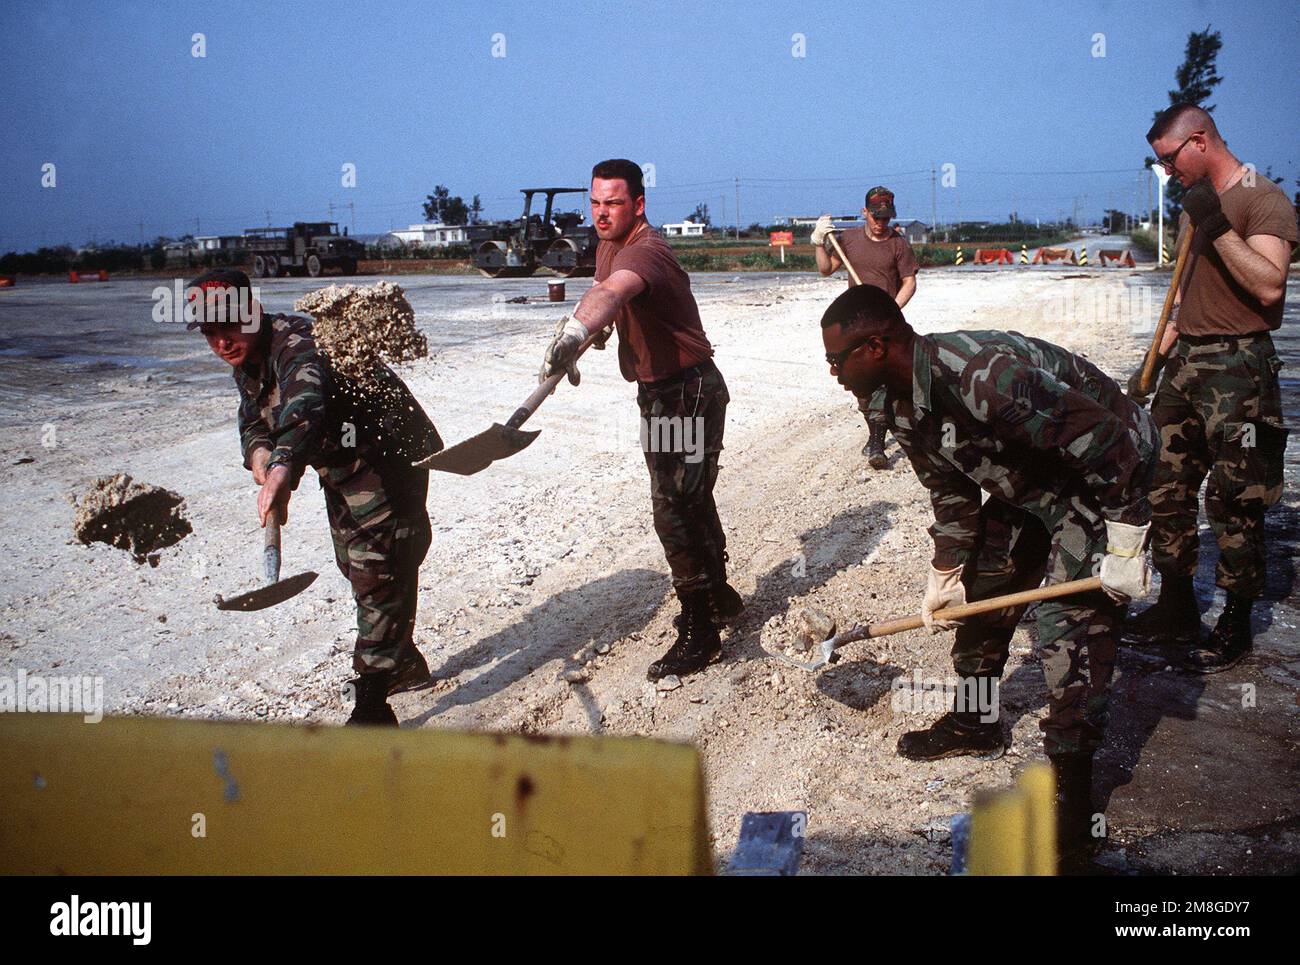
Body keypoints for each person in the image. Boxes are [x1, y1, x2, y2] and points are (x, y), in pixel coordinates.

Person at [822, 284, 1158, 866]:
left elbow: (1111, 444)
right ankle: (976, 720)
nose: (831, 372)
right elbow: (950, 490)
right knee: (988, 583)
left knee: (1066, 622)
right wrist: (947, 569)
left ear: (874, 347)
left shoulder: (987, 379)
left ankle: (1077, 809)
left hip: (1105, 470)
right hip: (1033, 471)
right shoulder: (890, 398)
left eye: (836, 359)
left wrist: (1126, 540)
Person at [189, 268, 441, 725]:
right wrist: (260, 454)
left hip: (388, 454)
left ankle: (372, 706)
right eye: (210, 332)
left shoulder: (299, 344)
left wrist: (284, 465)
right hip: (341, 463)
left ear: (254, 312)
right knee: (354, 563)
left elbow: (306, 404)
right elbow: (253, 417)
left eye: (229, 325)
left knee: (378, 571)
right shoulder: (247, 358)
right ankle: (401, 662)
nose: (222, 341)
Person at [539, 159, 741, 682]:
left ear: (639, 205)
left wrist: (571, 332)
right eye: (595, 202)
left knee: (673, 504)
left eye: (614, 203)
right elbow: (606, 298)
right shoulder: (609, 244)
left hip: (688, 393)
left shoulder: (648, 251)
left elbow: (613, 291)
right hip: (658, 394)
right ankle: (718, 593)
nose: (602, 213)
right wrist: (587, 336)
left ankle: (699, 627)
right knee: (688, 496)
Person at [1125, 104, 1295, 672]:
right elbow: (1187, 291)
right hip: (1188, 361)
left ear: (1199, 141)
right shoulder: (1193, 203)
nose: (1168, 173)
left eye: (1170, 160)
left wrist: (1217, 224)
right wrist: (1158, 355)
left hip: (1239, 367)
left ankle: (1236, 621)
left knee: (1235, 496)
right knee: (1163, 485)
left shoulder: (1260, 198)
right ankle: (1175, 610)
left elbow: (1269, 287)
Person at [812, 186, 918, 469]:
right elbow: (826, 269)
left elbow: (909, 281)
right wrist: (818, 242)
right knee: (860, 382)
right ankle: (875, 433)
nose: (881, 222)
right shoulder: (849, 240)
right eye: (876, 216)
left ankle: (877, 443)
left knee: (884, 380)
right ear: (865, 213)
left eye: (886, 217)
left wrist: (892, 309)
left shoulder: (898, 244)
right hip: (856, 325)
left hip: (887, 324)